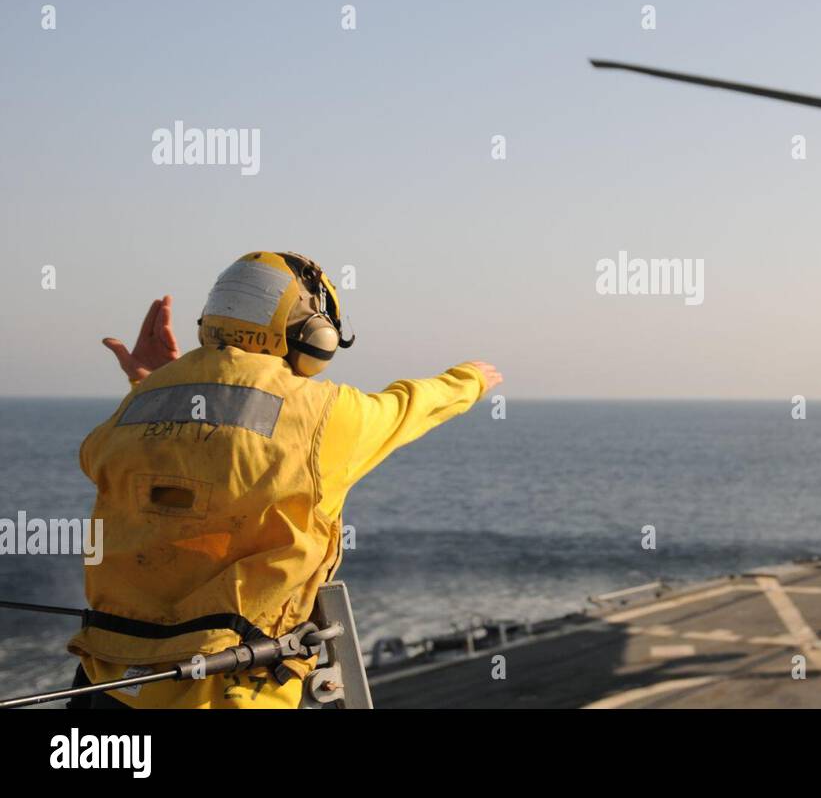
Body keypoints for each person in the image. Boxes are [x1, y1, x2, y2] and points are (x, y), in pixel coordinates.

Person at [67, 251, 502, 708]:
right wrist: (471, 379)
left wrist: (153, 384)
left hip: (112, 681)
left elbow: (138, 457)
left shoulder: (136, 409)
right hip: (233, 687)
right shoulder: (327, 416)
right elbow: (413, 404)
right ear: (314, 332)